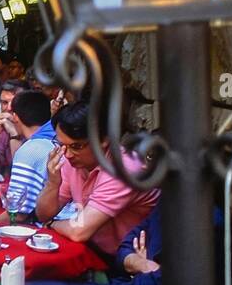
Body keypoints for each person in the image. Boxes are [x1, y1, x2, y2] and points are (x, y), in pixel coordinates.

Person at [33, 101, 160, 259]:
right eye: (62, 145)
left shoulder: (123, 168)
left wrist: (52, 224)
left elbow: (79, 231)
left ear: (104, 140)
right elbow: (43, 215)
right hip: (99, 252)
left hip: (133, 261)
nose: (68, 154)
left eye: (77, 146)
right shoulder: (71, 160)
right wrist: (52, 183)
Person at [24, 206, 161, 285]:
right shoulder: (166, 203)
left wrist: (139, 269)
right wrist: (141, 264)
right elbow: (126, 247)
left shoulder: (181, 212)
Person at [0, 90, 55, 218]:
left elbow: (17, 213)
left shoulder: (30, 150)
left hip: (48, 226)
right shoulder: (59, 137)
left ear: (15, 117)